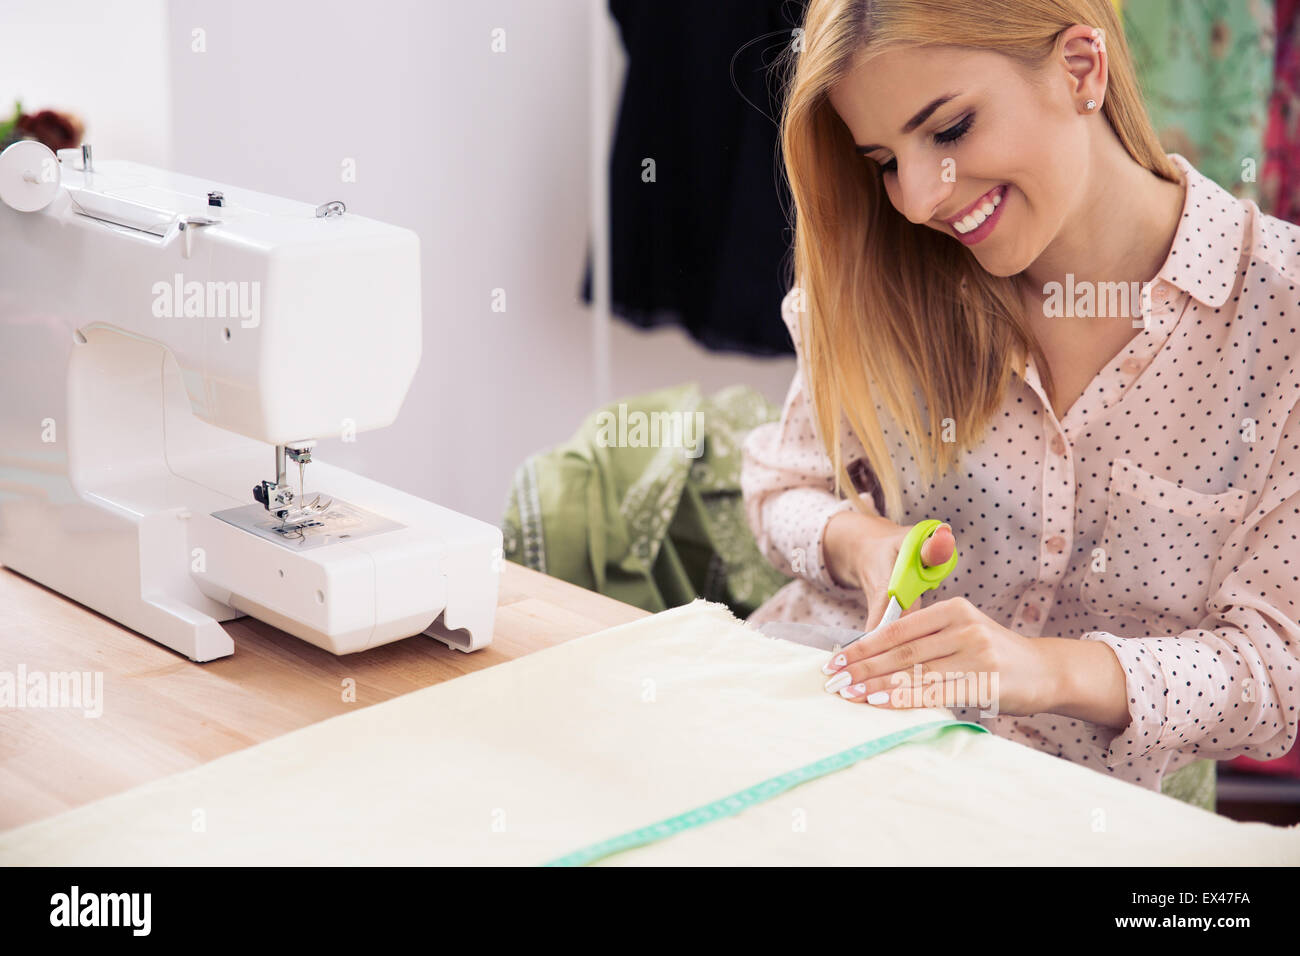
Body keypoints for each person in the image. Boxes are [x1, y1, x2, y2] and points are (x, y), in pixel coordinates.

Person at [741, 0, 1300, 794]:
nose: (917, 200)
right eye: (883, 160)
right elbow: (780, 486)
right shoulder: (884, 272)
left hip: (1056, 813)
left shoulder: (1279, 315)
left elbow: (1274, 671)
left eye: (950, 130)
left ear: (1081, 68)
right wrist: (864, 548)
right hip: (815, 742)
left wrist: (1044, 670)